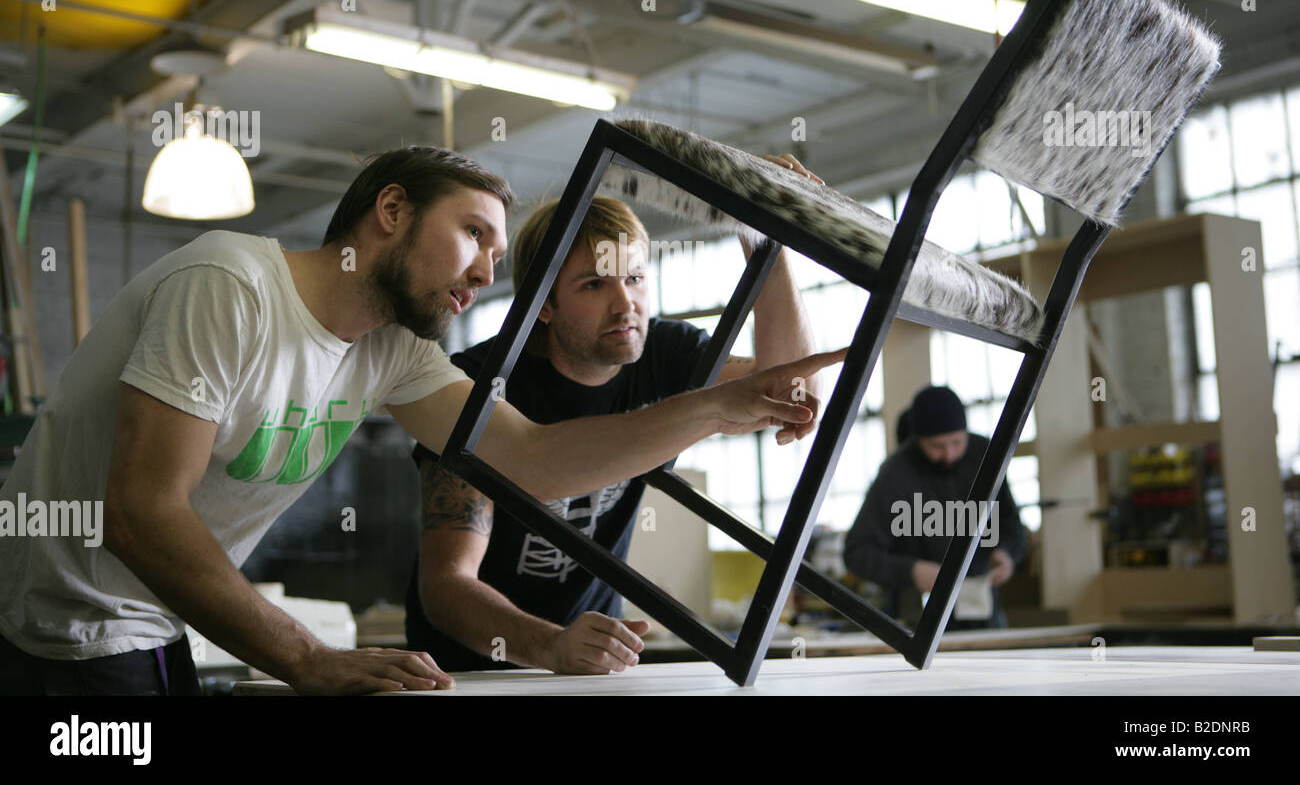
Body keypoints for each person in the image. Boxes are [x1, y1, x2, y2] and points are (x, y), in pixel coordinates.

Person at [0, 145, 843, 695]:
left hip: (148, 632)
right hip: (53, 639)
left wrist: (719, 401)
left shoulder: (393, 354)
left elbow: (535, 463)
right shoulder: (230, 285)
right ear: (391, 212)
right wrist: (307, 658)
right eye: (472, 233)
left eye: (496, 252)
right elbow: (141, 511)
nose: (483, 270)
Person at [407, 164, 820, 674]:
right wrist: (548, 646)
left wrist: (766, 242)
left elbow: (790, 391)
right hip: (470, 674)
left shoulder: (663, 352)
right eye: (594, 284)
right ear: (543, 306)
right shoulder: (479, 383)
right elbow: (446, 584)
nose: (626, 304)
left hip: (593, 665)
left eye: (635, 278)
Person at [843, 385, 1026, 630]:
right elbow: (857, 553)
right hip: (916, 620)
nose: (949, 454)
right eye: (937, 446)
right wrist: (912, 571)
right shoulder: (895, 474)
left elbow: (1012, 525)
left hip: (982, 613)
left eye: (956, 442)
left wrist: (1006, 554)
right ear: (918, 439)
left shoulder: (986, 456)